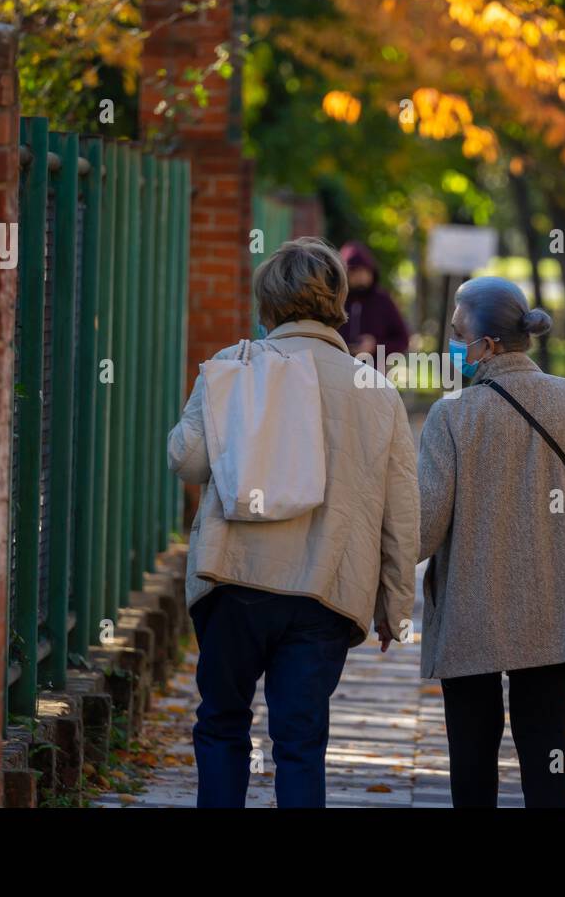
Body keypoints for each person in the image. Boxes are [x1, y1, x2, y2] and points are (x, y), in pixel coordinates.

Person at [167, 236, 420, 808]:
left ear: (268, 302)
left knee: (221, 724)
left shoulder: (233, 367)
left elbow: (187, 459)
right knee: (302, 743)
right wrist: (394, 607)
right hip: (324, 592)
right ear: (336, 300)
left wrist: (212, 397)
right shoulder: (375, 392)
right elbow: (401, 511)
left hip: (233, 581)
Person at [417, 276, 565, 808]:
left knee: (471, 747)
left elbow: (423, 528)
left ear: (488, 344)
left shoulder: (451, 417)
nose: (451, 345)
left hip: (472, 611)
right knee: (545, 742)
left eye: (456, 333)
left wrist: (379, 583)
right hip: (555, 609)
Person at [337, 241, 410, 359]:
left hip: (373, 373)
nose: (360, 277)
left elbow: (402, 340)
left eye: (364, 271)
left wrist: (375, 346)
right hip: (337, 369)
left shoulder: (383, 301)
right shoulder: (335, 300)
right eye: (354, 272)